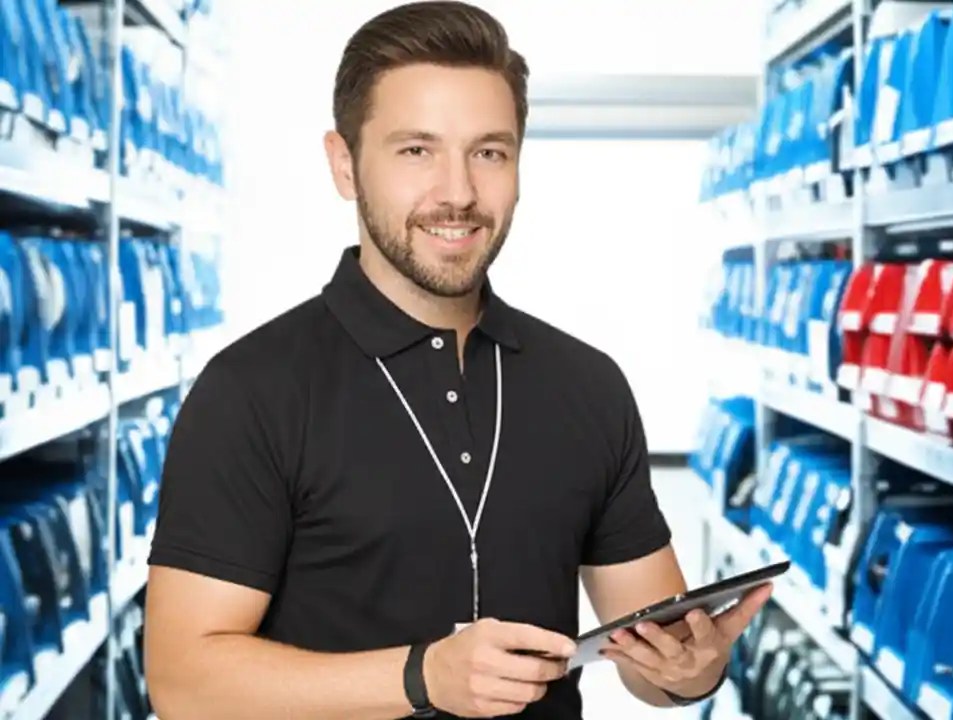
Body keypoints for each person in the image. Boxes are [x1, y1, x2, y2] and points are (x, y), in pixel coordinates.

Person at [142, 2, 771, 718]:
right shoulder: (251, 391)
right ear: (344, 164)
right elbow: (183, 681)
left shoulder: (587, 385)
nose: (459, 192)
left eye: (489, 152)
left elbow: (651, 659)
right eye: (417, 150)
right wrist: (422, 678)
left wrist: (691, 671)